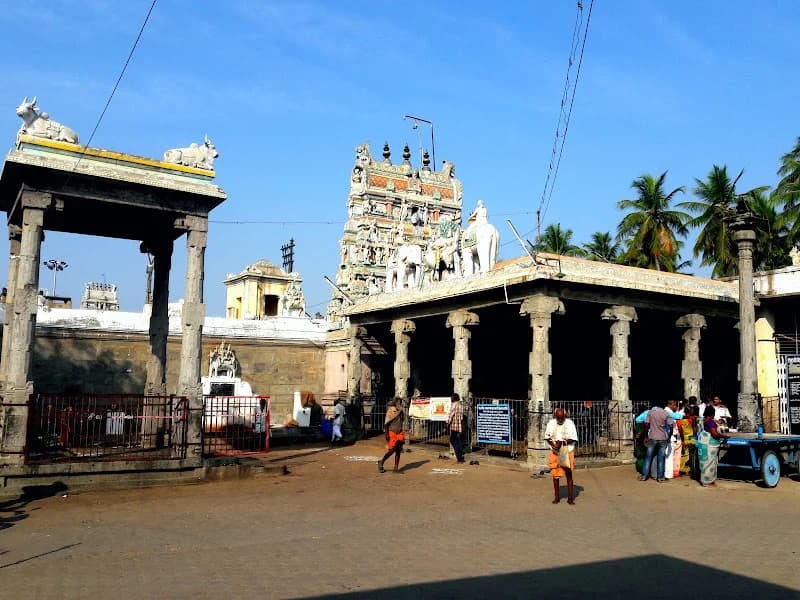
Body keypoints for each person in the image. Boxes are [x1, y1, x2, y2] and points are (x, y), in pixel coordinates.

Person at [545, 408, 578, 505]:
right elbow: (547, 437)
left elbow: (573, 438)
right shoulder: (551, 423)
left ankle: (570, 498)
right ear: (555, 416)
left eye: (562, 418)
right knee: (555, 475)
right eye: (558, 418)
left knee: (568, 474)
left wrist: (563, 442)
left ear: (564, 416)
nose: (560, 420)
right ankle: (557, 497)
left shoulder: (570, 423)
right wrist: (554, 444)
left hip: (567, 451)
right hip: (555, 452)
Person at [640, 400, 674, 482]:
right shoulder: (665, 413)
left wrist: (645, 437)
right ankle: (660, 477)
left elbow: (646, 425)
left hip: (652, 437)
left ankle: (644, 476)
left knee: (648, 457)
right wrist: (669, 436)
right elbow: (671, 426)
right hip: (662, 438)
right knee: (661, 458)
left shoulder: (650, 412)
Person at [697, 404, 727, 486]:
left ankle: (705, 479)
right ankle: (707, 481)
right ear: (712, 413)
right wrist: (723, 436)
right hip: (709, 446)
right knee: (710, 463)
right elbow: (714, 434)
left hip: (702, 444)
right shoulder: (710, 422)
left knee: (704, 463)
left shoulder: (702, 420)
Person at [378, 397, 405, 473]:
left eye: (401, 402)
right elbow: (386, 423)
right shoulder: (391, 410)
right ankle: (381, 461)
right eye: (398, 402)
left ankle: (396, 467)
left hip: (399, 432)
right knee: (391, 450)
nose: (400, 404)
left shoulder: (401, 411)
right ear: (395, 402)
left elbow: (402, 421)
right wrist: (386, 433)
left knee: (398, 450)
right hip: (392, 432)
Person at [447, 393, 465, 463]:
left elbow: (451, 414)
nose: (451, 399)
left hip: (454, 425)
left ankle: (460, 457)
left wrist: (447, 423)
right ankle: (460, 457)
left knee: (453, 440)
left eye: (452, 397)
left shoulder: (454, 404)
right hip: (458, 425)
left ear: (454, 398)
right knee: (456, 440)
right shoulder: (460, 405)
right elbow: (461, 417)